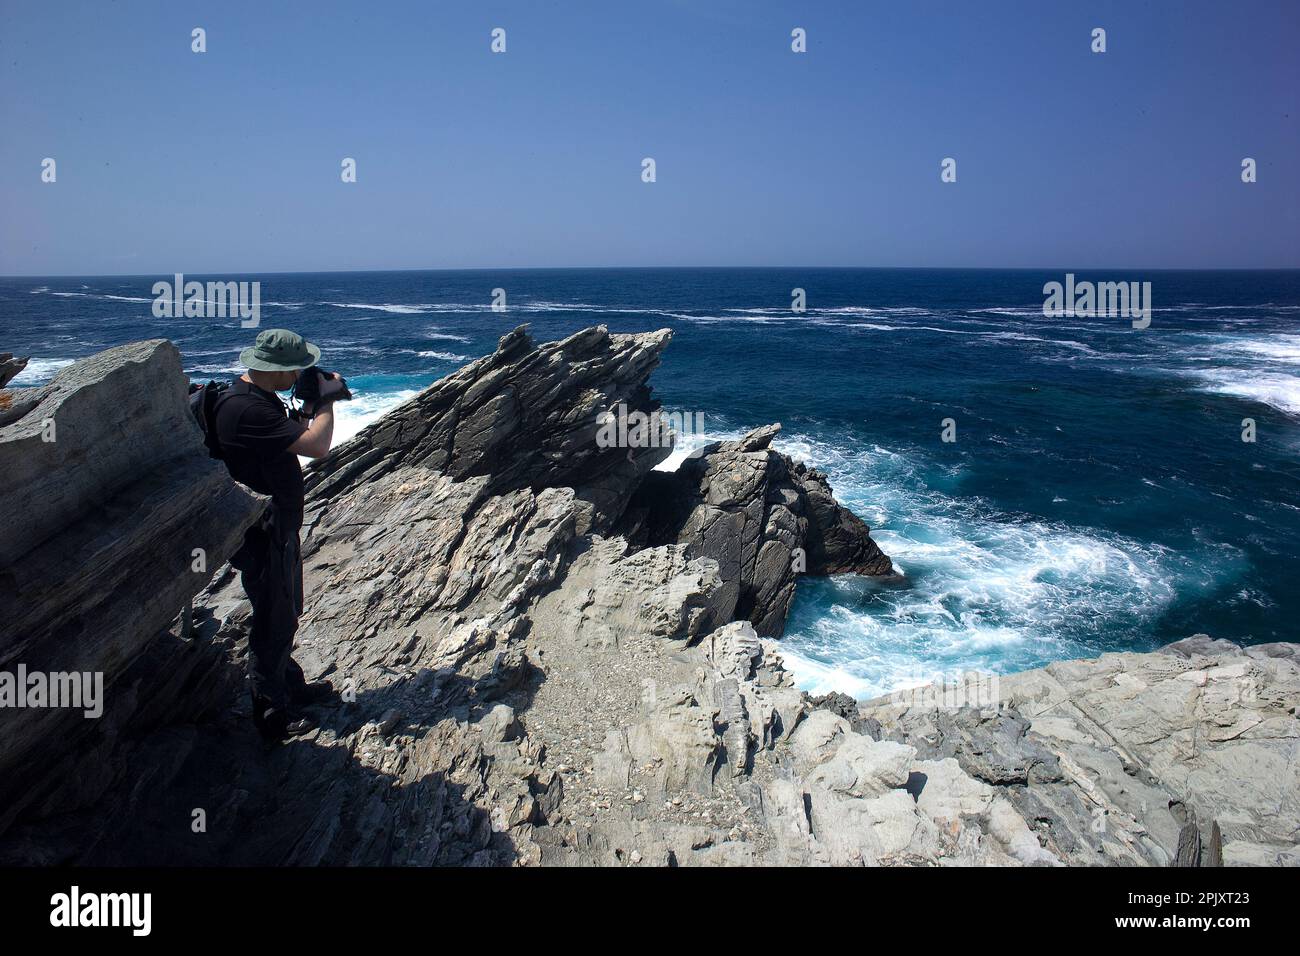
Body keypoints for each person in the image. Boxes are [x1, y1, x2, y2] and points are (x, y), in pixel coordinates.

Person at [214, 329, 342, 741]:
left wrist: (306, 403)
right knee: (273, 619)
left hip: (276, 526)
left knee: (284, 611)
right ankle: (272, 713)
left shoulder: (258, 399)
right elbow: (316, 446)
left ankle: (292, 687)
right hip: (261, 532)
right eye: (297, 368)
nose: (301, 374)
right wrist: (327, 400)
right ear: (277, 369)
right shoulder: (246, 409)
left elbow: (287, 439)